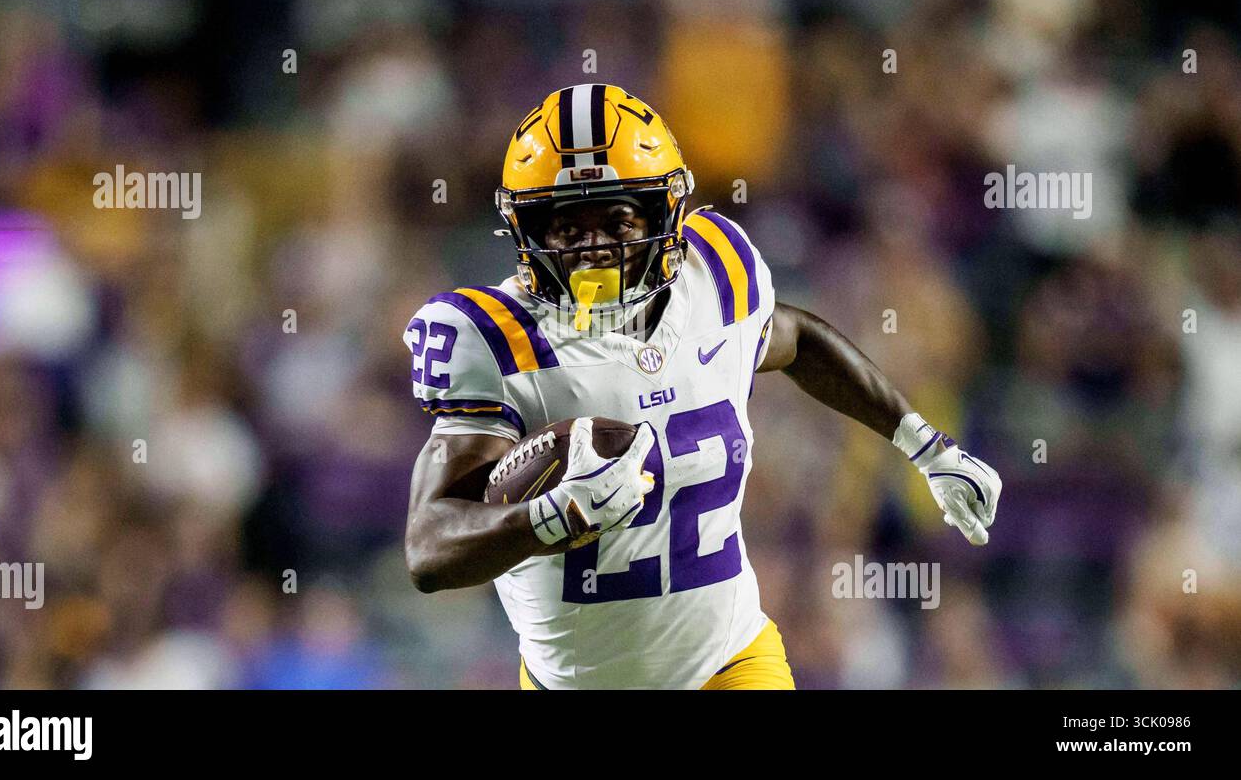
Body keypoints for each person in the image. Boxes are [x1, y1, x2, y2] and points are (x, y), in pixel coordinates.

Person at [402, 84, 1002, 689]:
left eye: (618, 219)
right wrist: (551, 517)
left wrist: (925, 445)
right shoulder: (494, 339)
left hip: (730, 662)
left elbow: (799, 339)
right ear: (525, 228)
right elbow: (429, 550)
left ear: (665, 211)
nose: (595, 248)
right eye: (566, 226)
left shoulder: (714, 277)